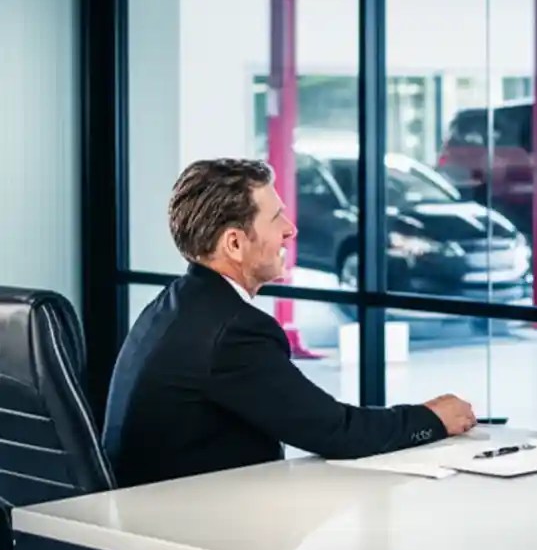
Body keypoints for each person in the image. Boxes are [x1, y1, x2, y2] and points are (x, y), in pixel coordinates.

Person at [103, 159, 477, 488]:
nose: (291, 229)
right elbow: (336, 431)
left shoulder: (177, 303)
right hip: (190, 529)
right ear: (234, 244)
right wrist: (432, 418)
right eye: (275, 217)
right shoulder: (233, 330)